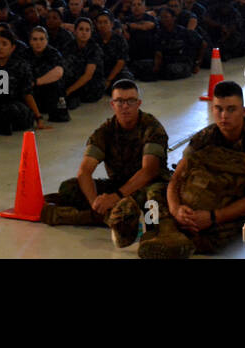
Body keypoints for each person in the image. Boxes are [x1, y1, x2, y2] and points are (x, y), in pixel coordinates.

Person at [139, 79, 245, 259]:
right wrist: (176, 210)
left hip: (229, 212)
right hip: (196, 206)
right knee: (154, 192)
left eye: (231, 109)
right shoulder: (203, 137)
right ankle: (170, 233)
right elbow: (177, 178)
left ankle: (175, 239)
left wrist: (212, 217)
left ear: (244, 111)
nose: (224, 116)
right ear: (212, 109)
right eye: (218, 109)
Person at [41, 79, 170, 248]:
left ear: (138, 103)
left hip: (149, 185)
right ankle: (113, 217)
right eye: (119, 101)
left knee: (151, 201)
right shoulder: (105, 131)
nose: (125, 106)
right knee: (69, 188)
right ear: (112, 104)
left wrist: (115, 197)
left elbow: (149, 172)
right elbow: (84, 172)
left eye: (130, 101)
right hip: (120, 185)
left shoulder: (152, 128)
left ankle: (135, 224)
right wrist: (96, 203)